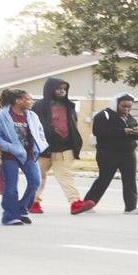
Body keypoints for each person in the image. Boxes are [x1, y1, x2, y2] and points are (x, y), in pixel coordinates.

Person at [32, 76, 92, 213]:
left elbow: (72, 124)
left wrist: (75, 142)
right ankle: (33, 202)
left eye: (64, 89)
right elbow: (35, 127)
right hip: (43, 149)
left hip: (64, 148)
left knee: (65, 175)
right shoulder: (39, 106)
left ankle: (75, 203)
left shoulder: (69, 105)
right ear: (50, 89)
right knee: (39, 176)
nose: (62, 91)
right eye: (59, 88)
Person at [0, 88, 46, 226]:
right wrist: (13, 148)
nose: (30, 102)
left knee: (35, 182)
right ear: (18, 100)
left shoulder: (32, 116)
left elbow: (39, 133)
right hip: (9, 156)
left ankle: (21, 209)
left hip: (29, 155)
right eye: (27, 99)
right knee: (11, 186)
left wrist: (40, 145)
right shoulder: (1, 116)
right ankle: (9, 216)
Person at [83, 93, 138, 213]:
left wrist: (136, 132)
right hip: (108, 153)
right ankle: (88, 204)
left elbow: (136, 136)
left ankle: (131, 207)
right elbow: (98, 131)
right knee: (104, 179)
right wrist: (122, 131)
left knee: (130, 180)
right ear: (116, 104)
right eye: (123, 106)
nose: (126, 109)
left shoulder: (129, 117)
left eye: (129, 106)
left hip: (128, 153)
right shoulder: (104, 115)